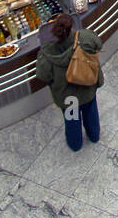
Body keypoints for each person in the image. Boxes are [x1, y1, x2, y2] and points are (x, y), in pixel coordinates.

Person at [35, 14, 103, 152]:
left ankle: (75, 144)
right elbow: (98, 44)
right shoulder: (84, 38)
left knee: (72, 121)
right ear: (71, 27)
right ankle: (94, 136)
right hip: (87, 87)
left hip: (67, 97)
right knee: (91, 113)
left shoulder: (47, 53)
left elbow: (43, 75)